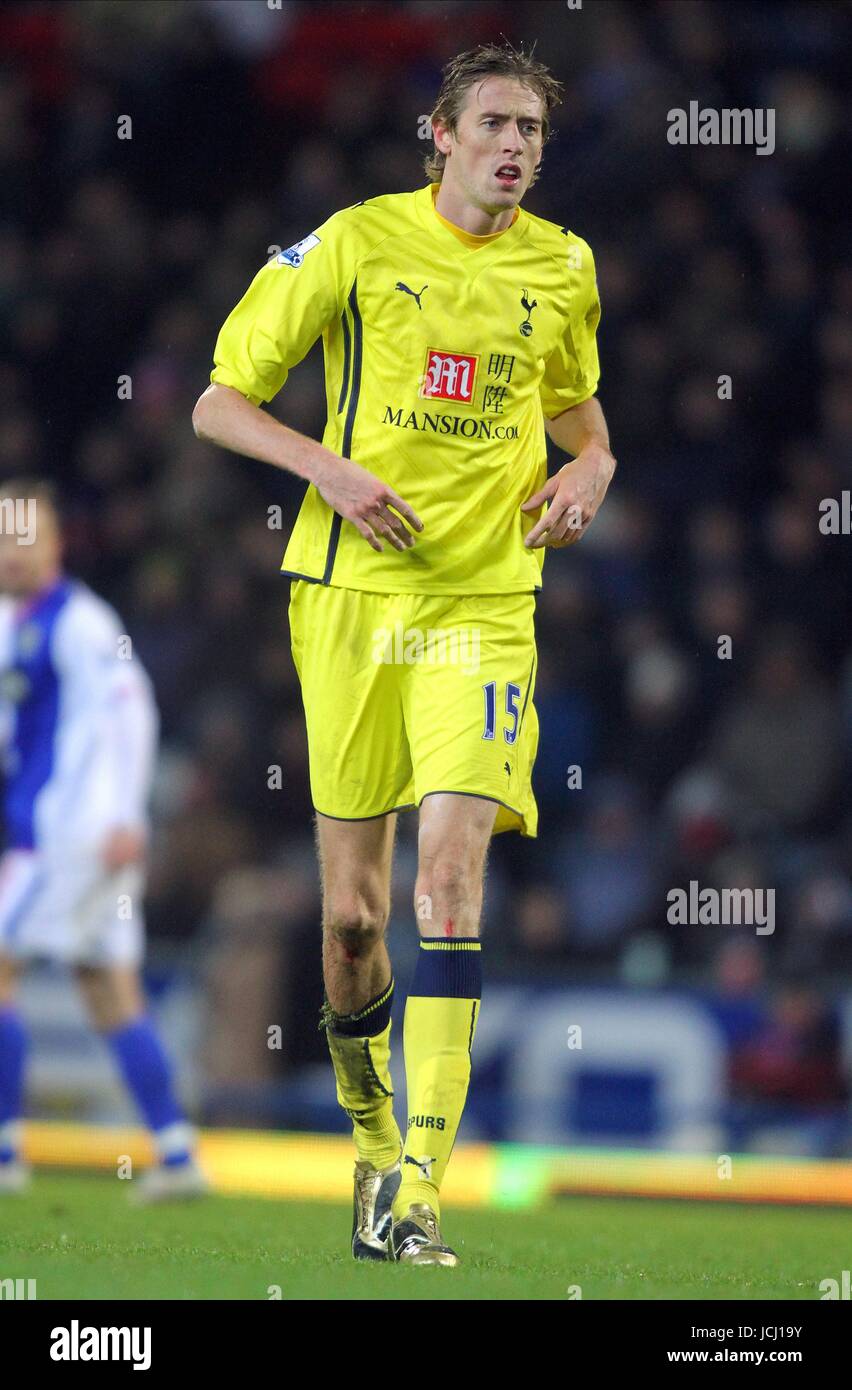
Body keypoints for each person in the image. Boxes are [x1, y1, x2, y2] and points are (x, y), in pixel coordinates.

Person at [193, 42, 615, 1264]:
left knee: (449, 873)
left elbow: (578, 415)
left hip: (485, 604)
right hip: (350, 601)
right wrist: (326, 464)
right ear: (440, 135)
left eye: (532, 129)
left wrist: (591, 465)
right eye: (493, 123)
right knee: (352, 923)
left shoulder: (564, 265)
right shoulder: (357, 243)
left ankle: (421, 1189)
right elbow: (222, 397)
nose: (515, 147)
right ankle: (373, 1144)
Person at [0, 479, 206, 1202]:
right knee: (109, 990)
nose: (13, 551)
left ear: (58, 543)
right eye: (3, 537)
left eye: (27, 537)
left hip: (77, 832)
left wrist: (125, 814)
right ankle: (177, 1154)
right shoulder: (11, 622)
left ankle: (4, 1154)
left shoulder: (83, 623)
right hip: (63, 833)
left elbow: (131, 715)